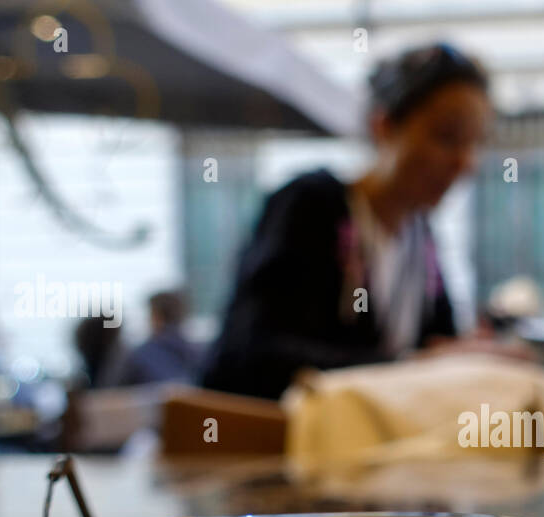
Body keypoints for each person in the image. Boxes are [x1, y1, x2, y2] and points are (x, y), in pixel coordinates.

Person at [201, 43, 491, 400]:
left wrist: (474, 357)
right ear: (383, 126)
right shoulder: (312, 205)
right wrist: (409, 365)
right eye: (447, 136)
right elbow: (249, 353)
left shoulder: (420, 237)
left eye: (476, 143)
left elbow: (435, 347)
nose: (465, 162)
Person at [113, 290, 201, 386]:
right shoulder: (198, 354)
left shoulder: (141, 355)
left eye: (150, 314)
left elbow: (116, 393)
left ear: (157, 317)